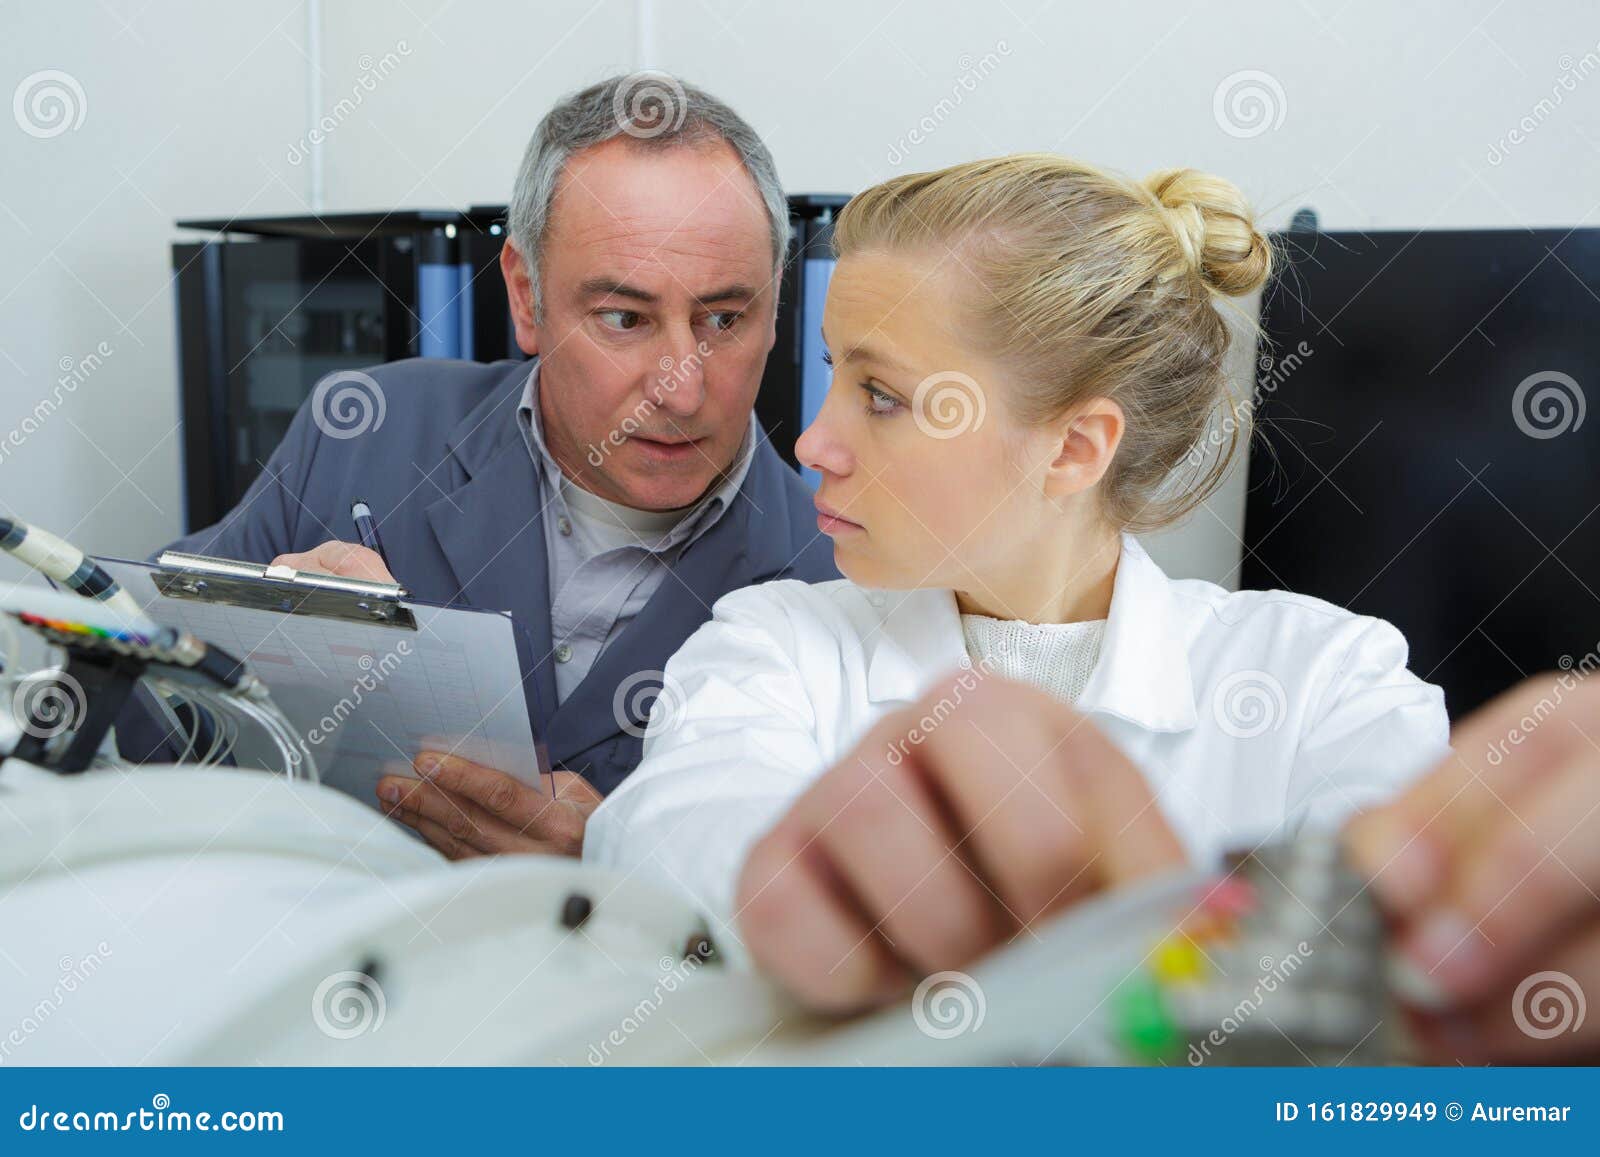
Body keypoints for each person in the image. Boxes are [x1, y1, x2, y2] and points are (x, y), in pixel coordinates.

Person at [583, 153, 1451, 1007]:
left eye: (881, 394)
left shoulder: (1324, 681)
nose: (812, 444)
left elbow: (1393, 961)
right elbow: (671, 850)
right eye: (831, 374)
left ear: (1074, 448)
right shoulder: (773, 646)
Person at [131, 73, 838, 855]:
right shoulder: (362, 435)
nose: (681, 385)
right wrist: (270, 652)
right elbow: (131, 698)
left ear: (778, 308)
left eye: (725, 318)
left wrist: (616, 867)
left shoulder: (838, 582)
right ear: (527, 297)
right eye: (623, 318)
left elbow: (840, 937)